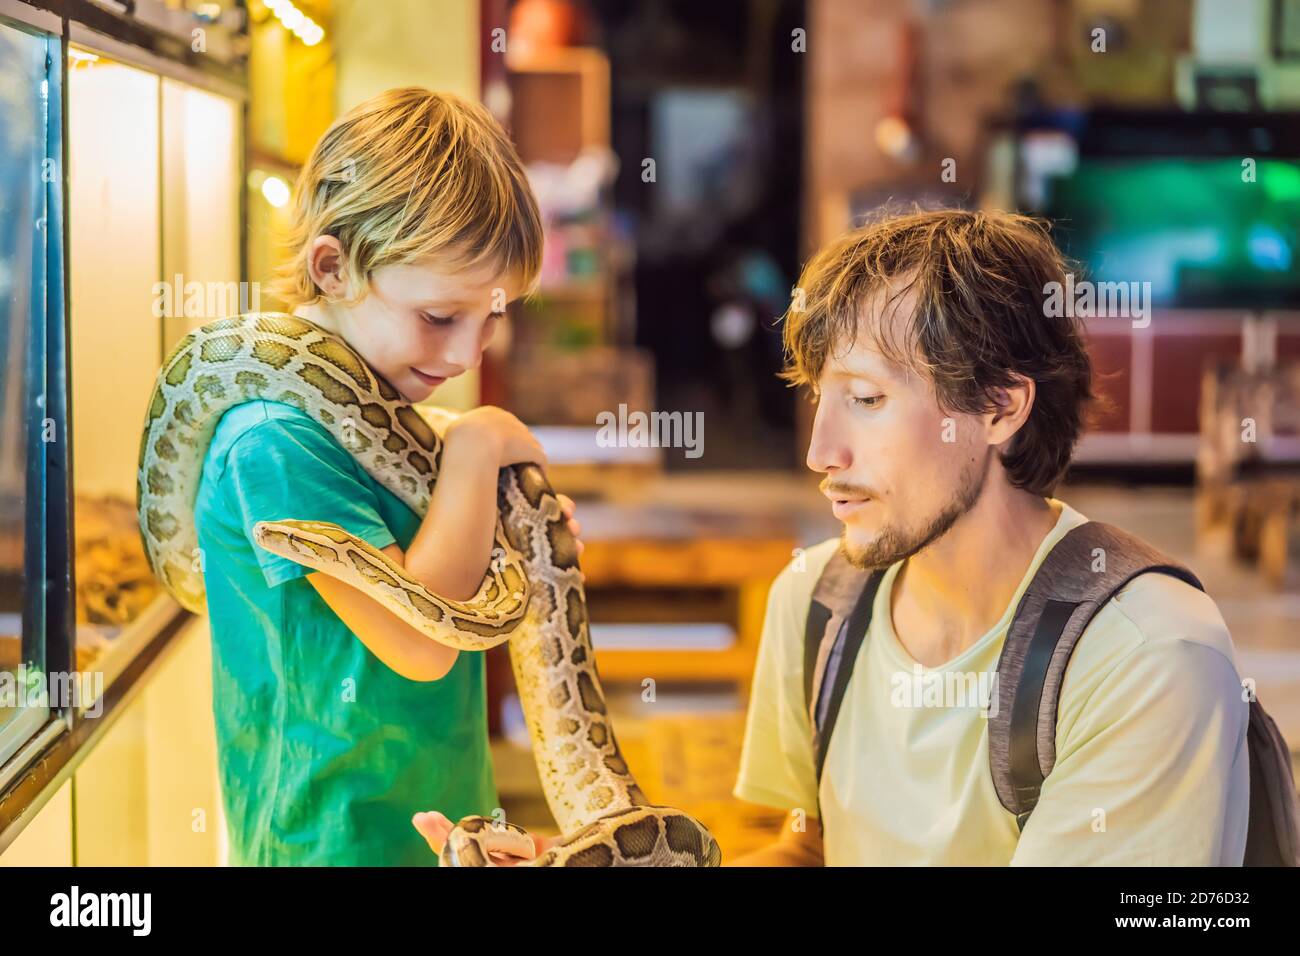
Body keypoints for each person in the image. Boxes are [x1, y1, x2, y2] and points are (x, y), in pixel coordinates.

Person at [729, 209, 1250, 866]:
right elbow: (807, 848)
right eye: (819, 397)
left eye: (865, 399)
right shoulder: (816, 602)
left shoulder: (1149, 656)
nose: (820, 452)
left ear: (1000, 407)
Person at [194, 87, 575, 865]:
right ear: (331, 267)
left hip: (439, 817)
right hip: (333, 837)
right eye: (440, 318)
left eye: (494, 317)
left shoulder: (396, 422)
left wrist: (531, 546)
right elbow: (423, 639)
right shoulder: (277, 441)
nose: (471, 356)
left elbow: (468, 591)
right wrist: (475, 449)